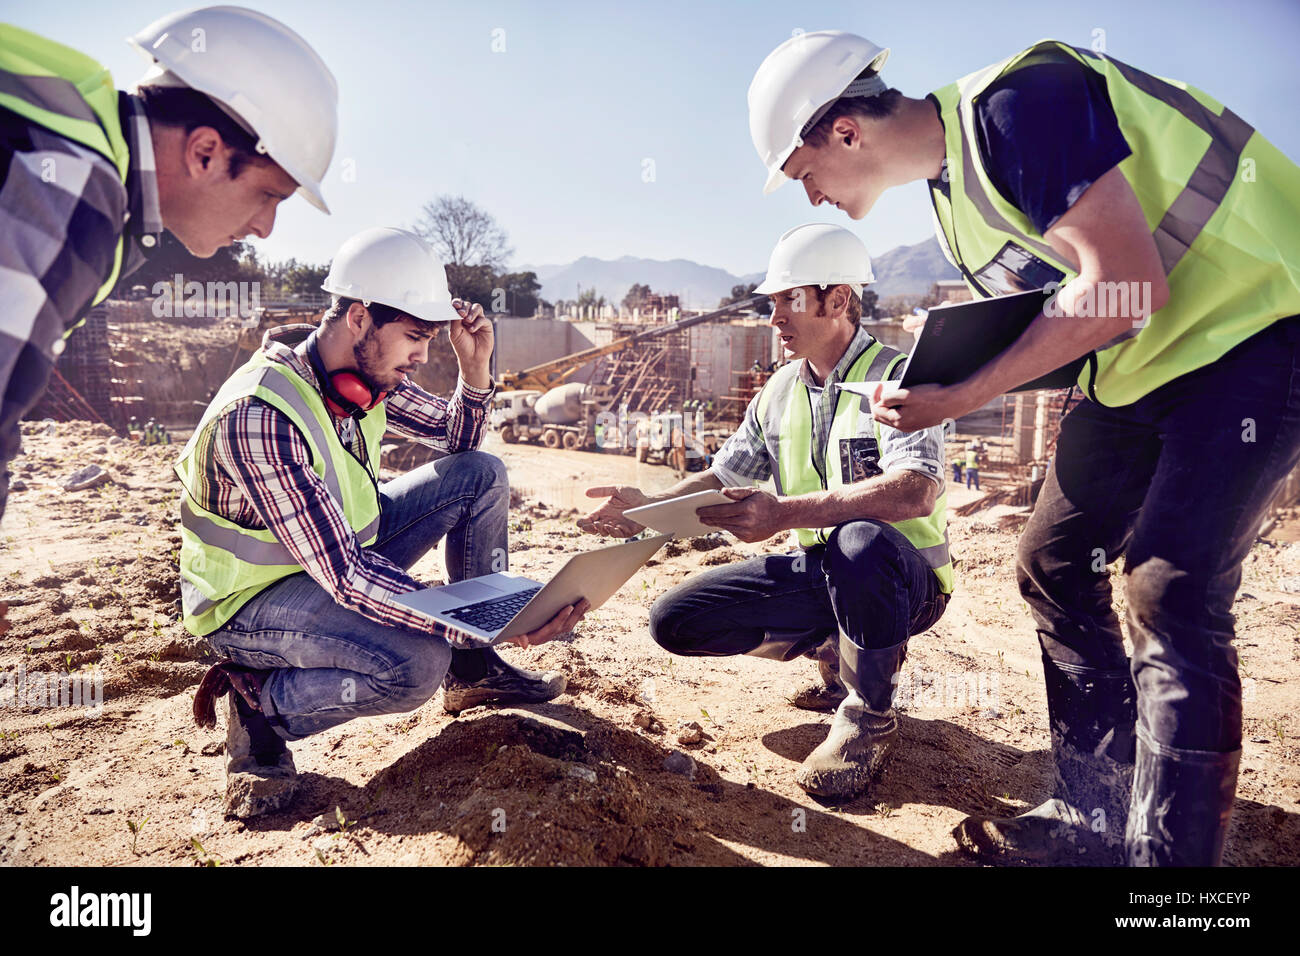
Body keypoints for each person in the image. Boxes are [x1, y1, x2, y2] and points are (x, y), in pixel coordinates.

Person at [748, 30, 1300, 865]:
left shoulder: (1017, 104)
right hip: (1137, 366)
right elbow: (1071, 319)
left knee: (1172, 589)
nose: (813, 197)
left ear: (844, 131)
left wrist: (966, 393)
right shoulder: (955, 206)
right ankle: (1095, 817)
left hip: (1258, 323)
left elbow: (1124, 280)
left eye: (804, 173)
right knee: (1054, 559)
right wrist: (958, 373)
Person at [177, 227, 585, 818]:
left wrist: (475, 374)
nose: (422, 355)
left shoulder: (363, 377)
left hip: (335, 554)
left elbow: (458, 446)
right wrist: (467, 618)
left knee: (482, 473)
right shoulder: (262, 415)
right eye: (415, 337)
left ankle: (474, 671)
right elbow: (344, 576)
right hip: (252, 600)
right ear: (361, 319)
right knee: (415, 665)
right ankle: (259, 702)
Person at [579, 224, 952, 800]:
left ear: (838, 299)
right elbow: (725, 477)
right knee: (676, 620)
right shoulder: (778, 390)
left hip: (906, 582)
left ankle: (868, 717)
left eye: (788, 300)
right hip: (828, 575)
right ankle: (835, 649)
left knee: (858, 540)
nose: (773, 317)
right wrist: (648, 507)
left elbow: (914, 492)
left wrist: (782, 514)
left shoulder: (899, 377)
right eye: (772, 302)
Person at [0, 7, 339, 525]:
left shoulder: (72, 129)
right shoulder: (74, 190)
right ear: (204, 153)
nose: (265, 228)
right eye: (268, 195)